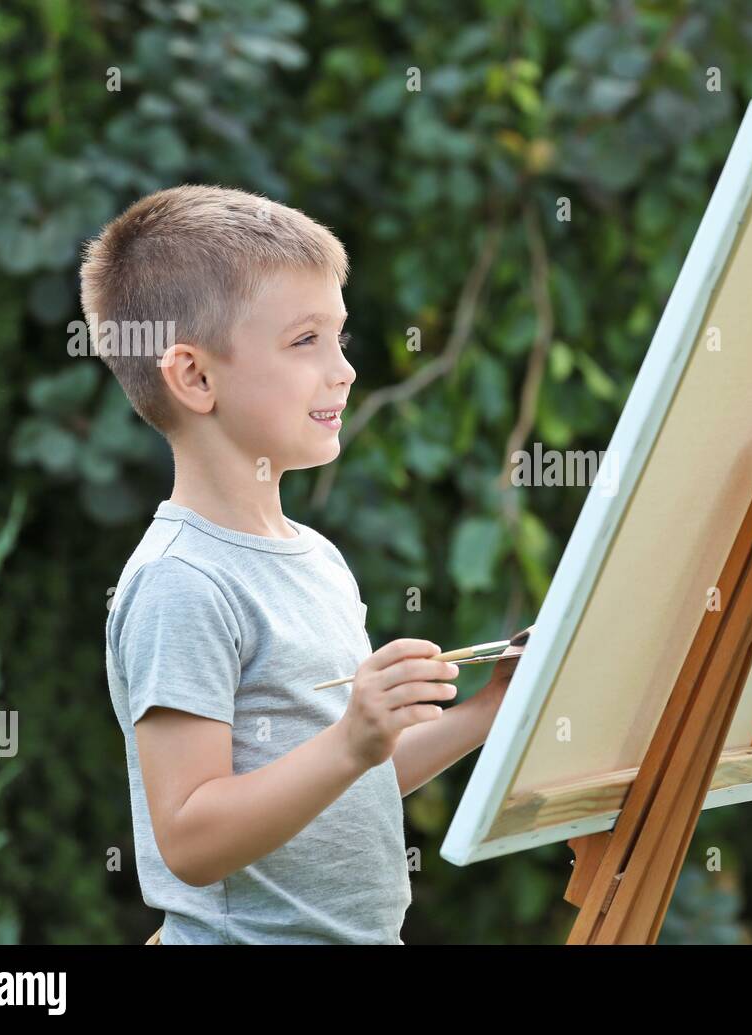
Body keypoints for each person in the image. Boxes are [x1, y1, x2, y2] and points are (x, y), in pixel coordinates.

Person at [83, 185, 523, 943]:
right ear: (194, 377)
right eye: (305, 340)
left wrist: (488, 709)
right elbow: (189, 838)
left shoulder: (315, 556)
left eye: (339, 338)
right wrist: (350, 737)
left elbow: (346, 781)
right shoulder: (182, 584)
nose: (343, 369)